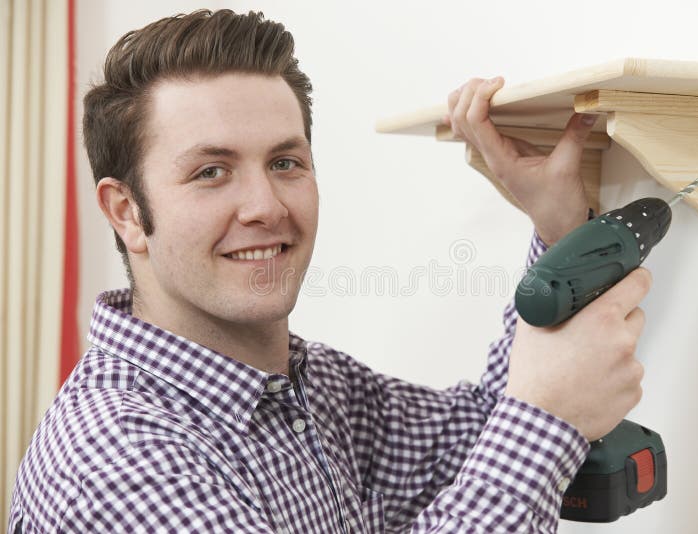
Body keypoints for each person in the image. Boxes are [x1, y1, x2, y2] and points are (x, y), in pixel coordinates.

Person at [8, 9, 649, 533]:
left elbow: (486, 432)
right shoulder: (116, 463)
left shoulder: (309, 391)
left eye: (285, 162)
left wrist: (559, 232)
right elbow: (525, 430)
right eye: (211, 172)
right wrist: (544, 420)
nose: (265, 207)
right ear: (126, 212)